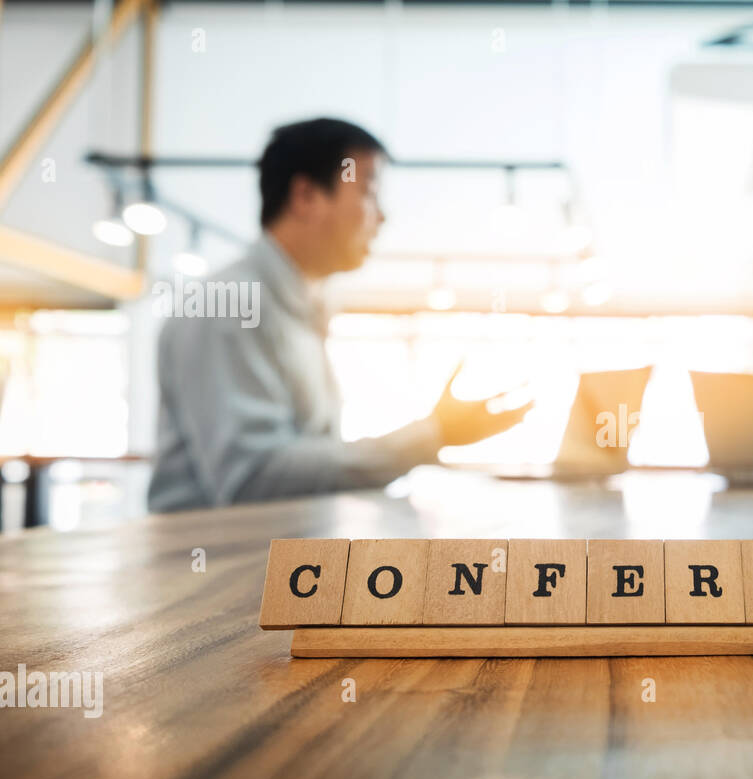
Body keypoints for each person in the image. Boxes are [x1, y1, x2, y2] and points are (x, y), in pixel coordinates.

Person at [148, 118, 531, 512]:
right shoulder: (226, 305)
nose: (382, 217)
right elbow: (253, 480)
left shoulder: (299, 308)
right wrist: (430, 436)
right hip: (209, 569)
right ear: (306, 196)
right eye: (368, 192)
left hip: (264, 562)